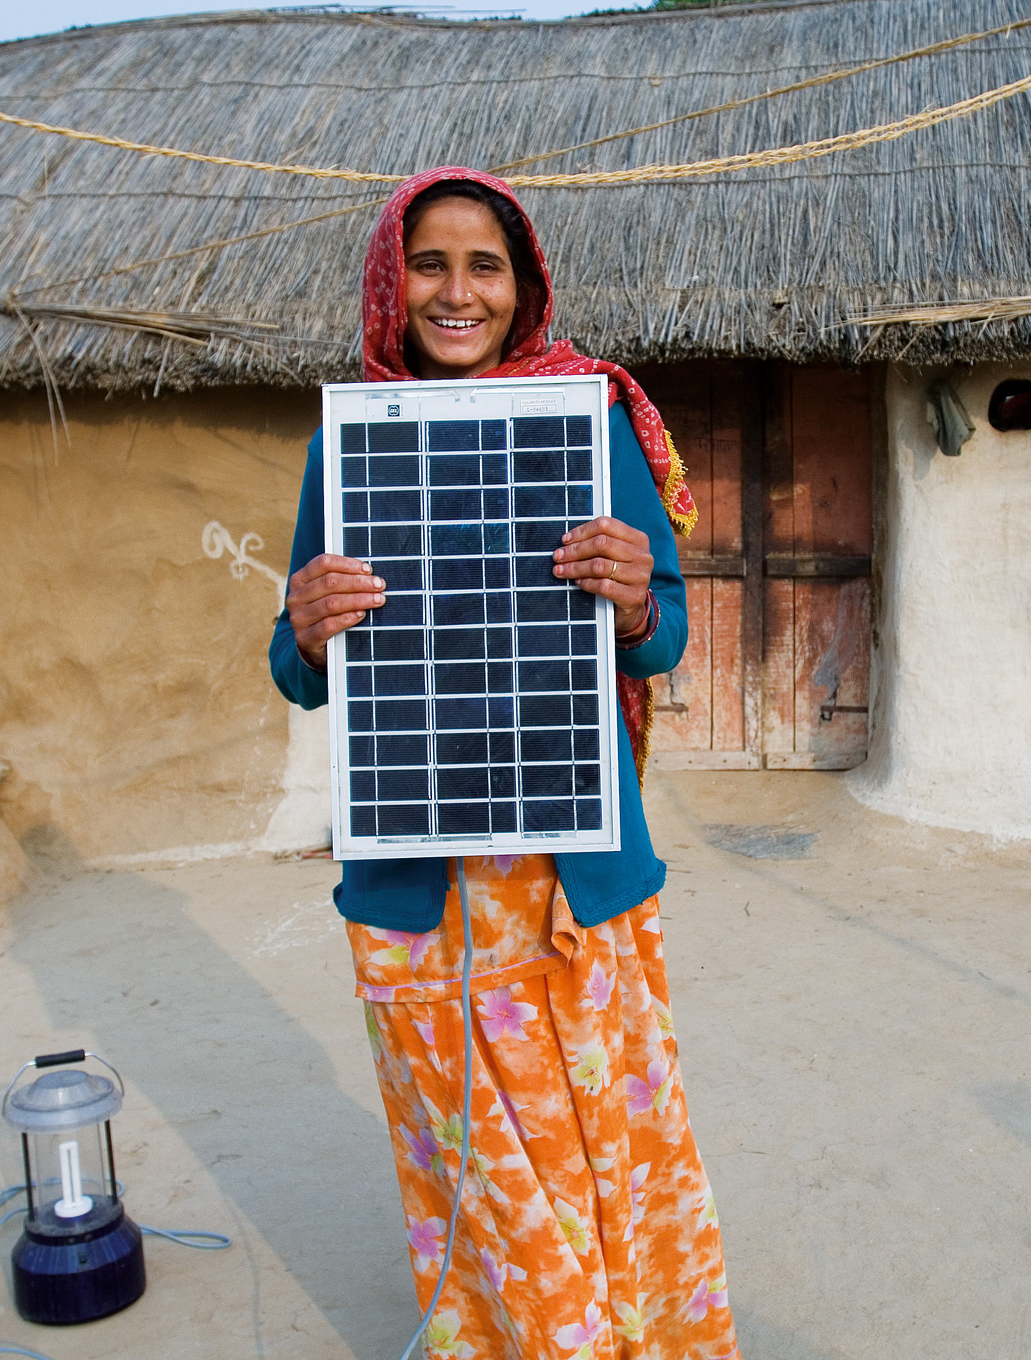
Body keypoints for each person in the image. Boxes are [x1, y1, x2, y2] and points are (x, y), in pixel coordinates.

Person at [269, 166, 740, 1360]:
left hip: (569, 874)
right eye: (429, 262)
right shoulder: (351, 445)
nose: (456, 290)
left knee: (609, 1159)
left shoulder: (587, 422)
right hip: (418, 894)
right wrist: (305, 624)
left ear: (520, 285)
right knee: (484, 1181)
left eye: (484, 265)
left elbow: (667, 631)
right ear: (393, 280)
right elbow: (296, 666)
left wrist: (637, 601)